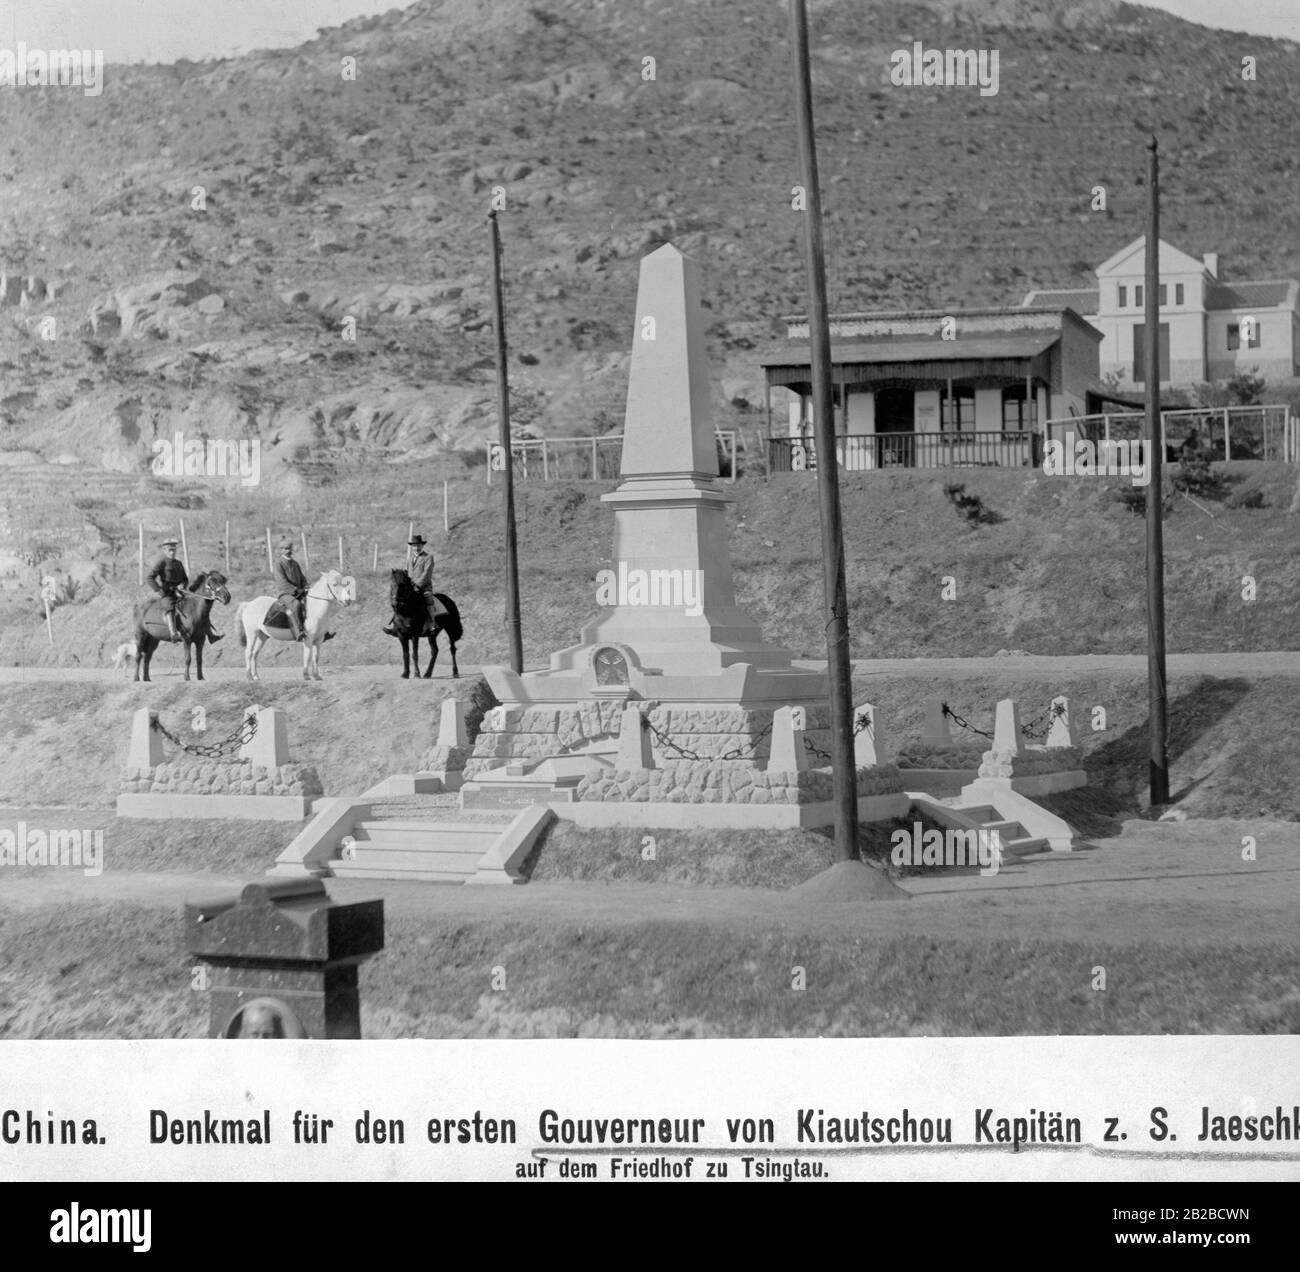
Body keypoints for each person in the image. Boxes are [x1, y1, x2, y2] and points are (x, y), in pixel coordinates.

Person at [146, 539, 188, 642]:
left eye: (174, 550)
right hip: (168, 594)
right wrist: (159, 590)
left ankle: (208, 633)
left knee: (195, 605)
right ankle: (173, 634)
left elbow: (185, 579)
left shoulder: (179, 563)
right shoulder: (162, 563)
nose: (172, 552)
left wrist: (183, 585)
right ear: (164, 550)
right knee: (170, 608)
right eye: (169, 550)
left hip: (180, 593)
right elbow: (150, 578)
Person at [273, 540, 309, 641]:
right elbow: (282, 582)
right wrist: (296, 590)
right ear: (281, 551)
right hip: (284, 593)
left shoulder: (295, 564)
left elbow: (302, 577)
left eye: (289, 549)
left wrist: (306, 586)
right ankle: (299, 631)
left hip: (299, 591)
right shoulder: (278, 564)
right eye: (286, 549)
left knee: (312, 602)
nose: (288, 551)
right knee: (296, 604)